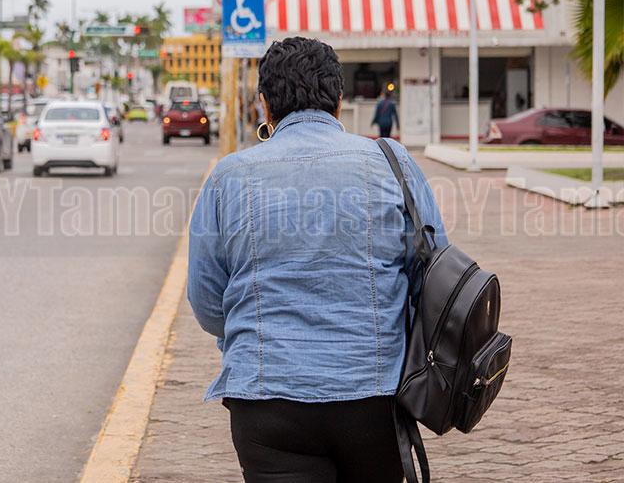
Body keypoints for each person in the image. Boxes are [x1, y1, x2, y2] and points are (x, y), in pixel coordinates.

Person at [187, 37, 447, 483]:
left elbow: (208, 302)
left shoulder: (229, 176)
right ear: (339, 100)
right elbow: (433, 273)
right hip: (374, 399)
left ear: (265, 105)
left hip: (266, 402)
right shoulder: (392, 162)